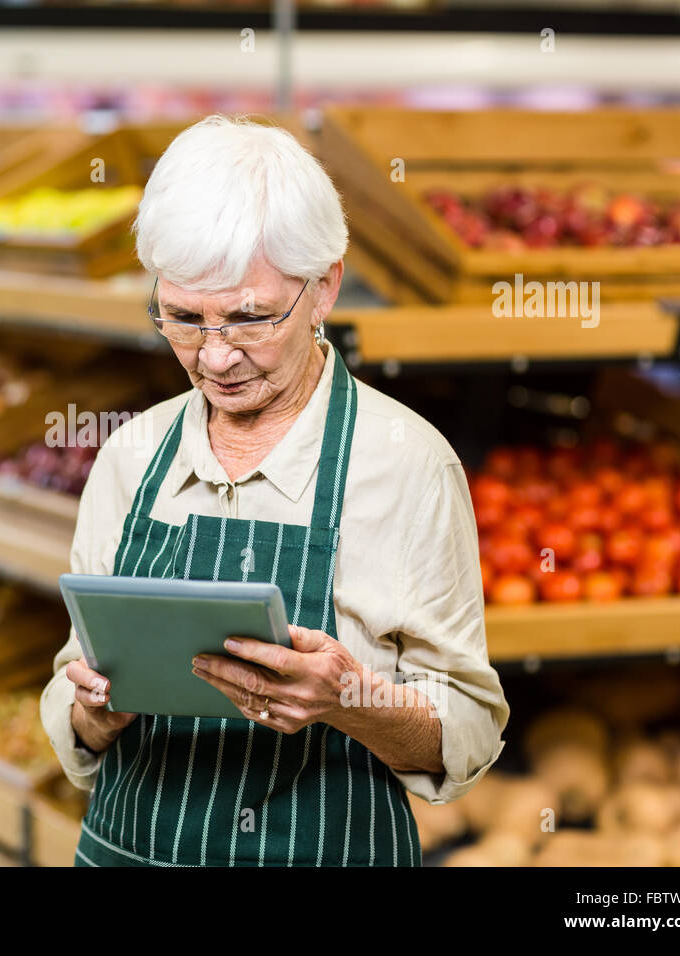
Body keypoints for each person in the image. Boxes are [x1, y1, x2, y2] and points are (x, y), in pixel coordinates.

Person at [39, 115, 508, 867]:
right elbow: (71, 693)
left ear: (324, 288)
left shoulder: (408, 467)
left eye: (249, 318)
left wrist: (350, 698)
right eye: (182, 319)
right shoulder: (131, 455)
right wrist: (95, 710)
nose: (215, 357)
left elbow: (470, 733)